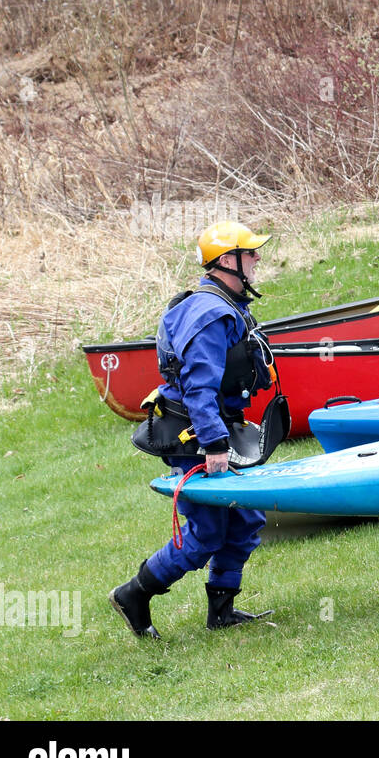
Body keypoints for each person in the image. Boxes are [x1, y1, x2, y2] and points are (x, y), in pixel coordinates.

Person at [110, 221, 280, 637]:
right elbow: (199, 387)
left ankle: (221, 611)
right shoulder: (210, 315)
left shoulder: (223, 303)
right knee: (206, 532)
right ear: (227, 261)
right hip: (198, 438)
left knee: (244, 520)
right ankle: (133, 593)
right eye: (250, 252)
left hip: (215, 429)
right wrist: (215, 445)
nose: (257, 258)